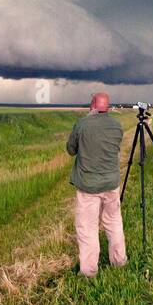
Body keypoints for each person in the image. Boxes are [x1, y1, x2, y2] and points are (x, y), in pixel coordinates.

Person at [67, 92, 127, 277]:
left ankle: (89, 271)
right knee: (114, 223)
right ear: (107, 107)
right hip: (111, 184)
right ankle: (119, 261)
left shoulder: (82, 124)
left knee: (88, 228)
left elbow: (71, 150)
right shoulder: (117, 126)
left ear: (92, 105)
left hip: (88, 186)